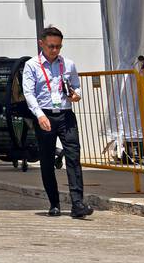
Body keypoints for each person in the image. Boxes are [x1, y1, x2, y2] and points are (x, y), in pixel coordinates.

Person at [22, 26, 93, 219]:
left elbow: (76, 86)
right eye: (51, 46)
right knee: (46, 160)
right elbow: (28, 93)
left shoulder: (68, 64)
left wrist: (76, 95)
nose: (55, 50)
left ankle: (77, 203)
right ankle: (54, 203)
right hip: (44, 115)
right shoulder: (32, 65)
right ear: (41, 44)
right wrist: (39, 115)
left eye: (58, 47)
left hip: (65, 114)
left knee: (73, 156)